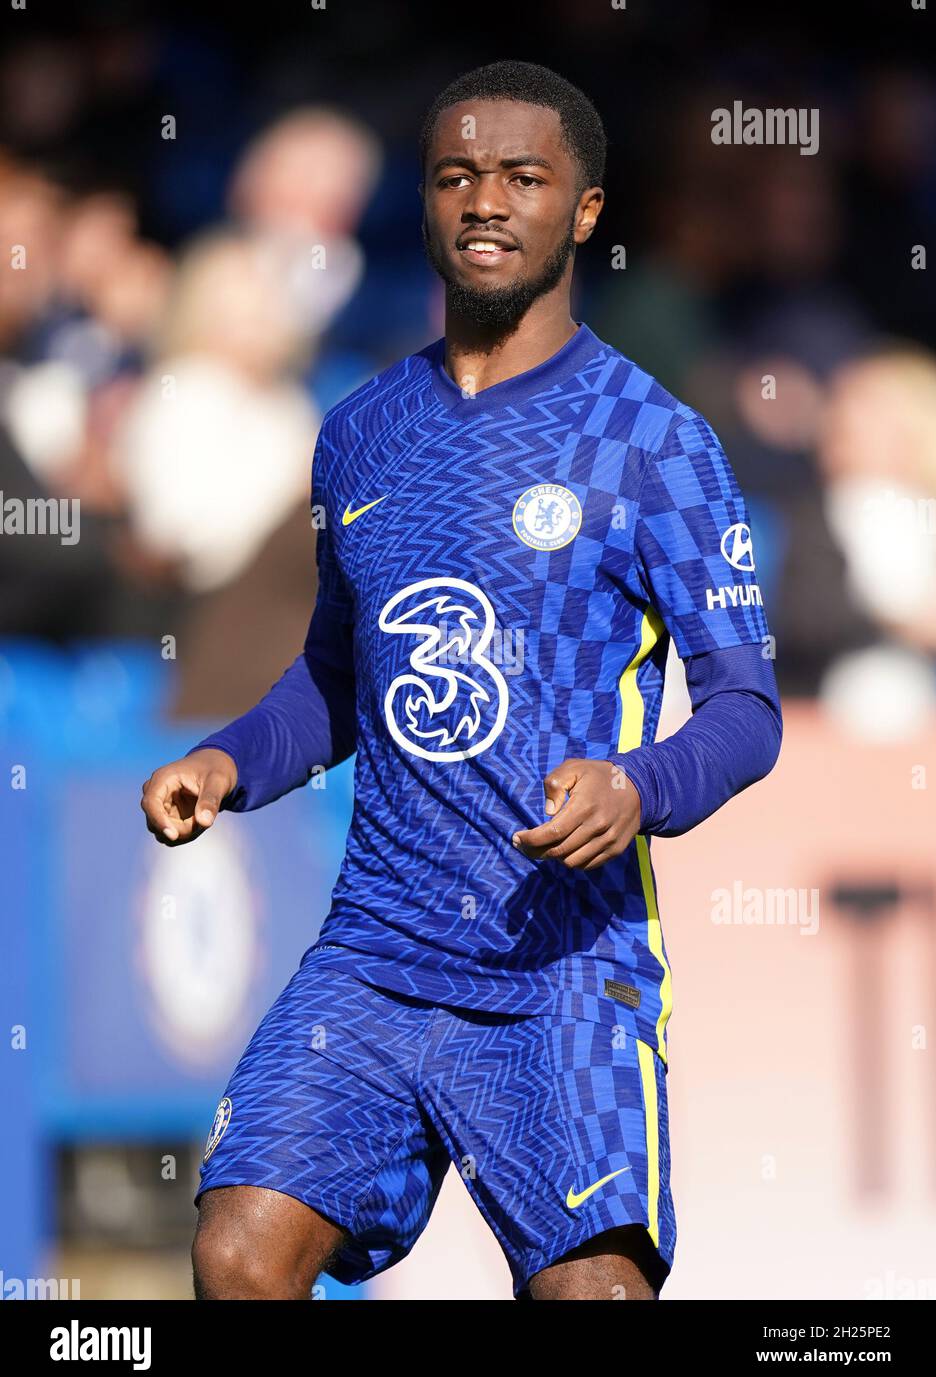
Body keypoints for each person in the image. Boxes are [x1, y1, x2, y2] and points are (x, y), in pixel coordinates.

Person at [140, 61, 782, 1301]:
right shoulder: (362, 430)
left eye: (524, 178)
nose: (486, 202)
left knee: (591, 1295)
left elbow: (746, 713)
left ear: (584, 211)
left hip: (564, 972)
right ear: (428, 206)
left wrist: (636, 787)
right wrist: (227, 761)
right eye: (456, 176)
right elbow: (335, 678)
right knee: (236, 1253)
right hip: (374, 956)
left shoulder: (653, 443)